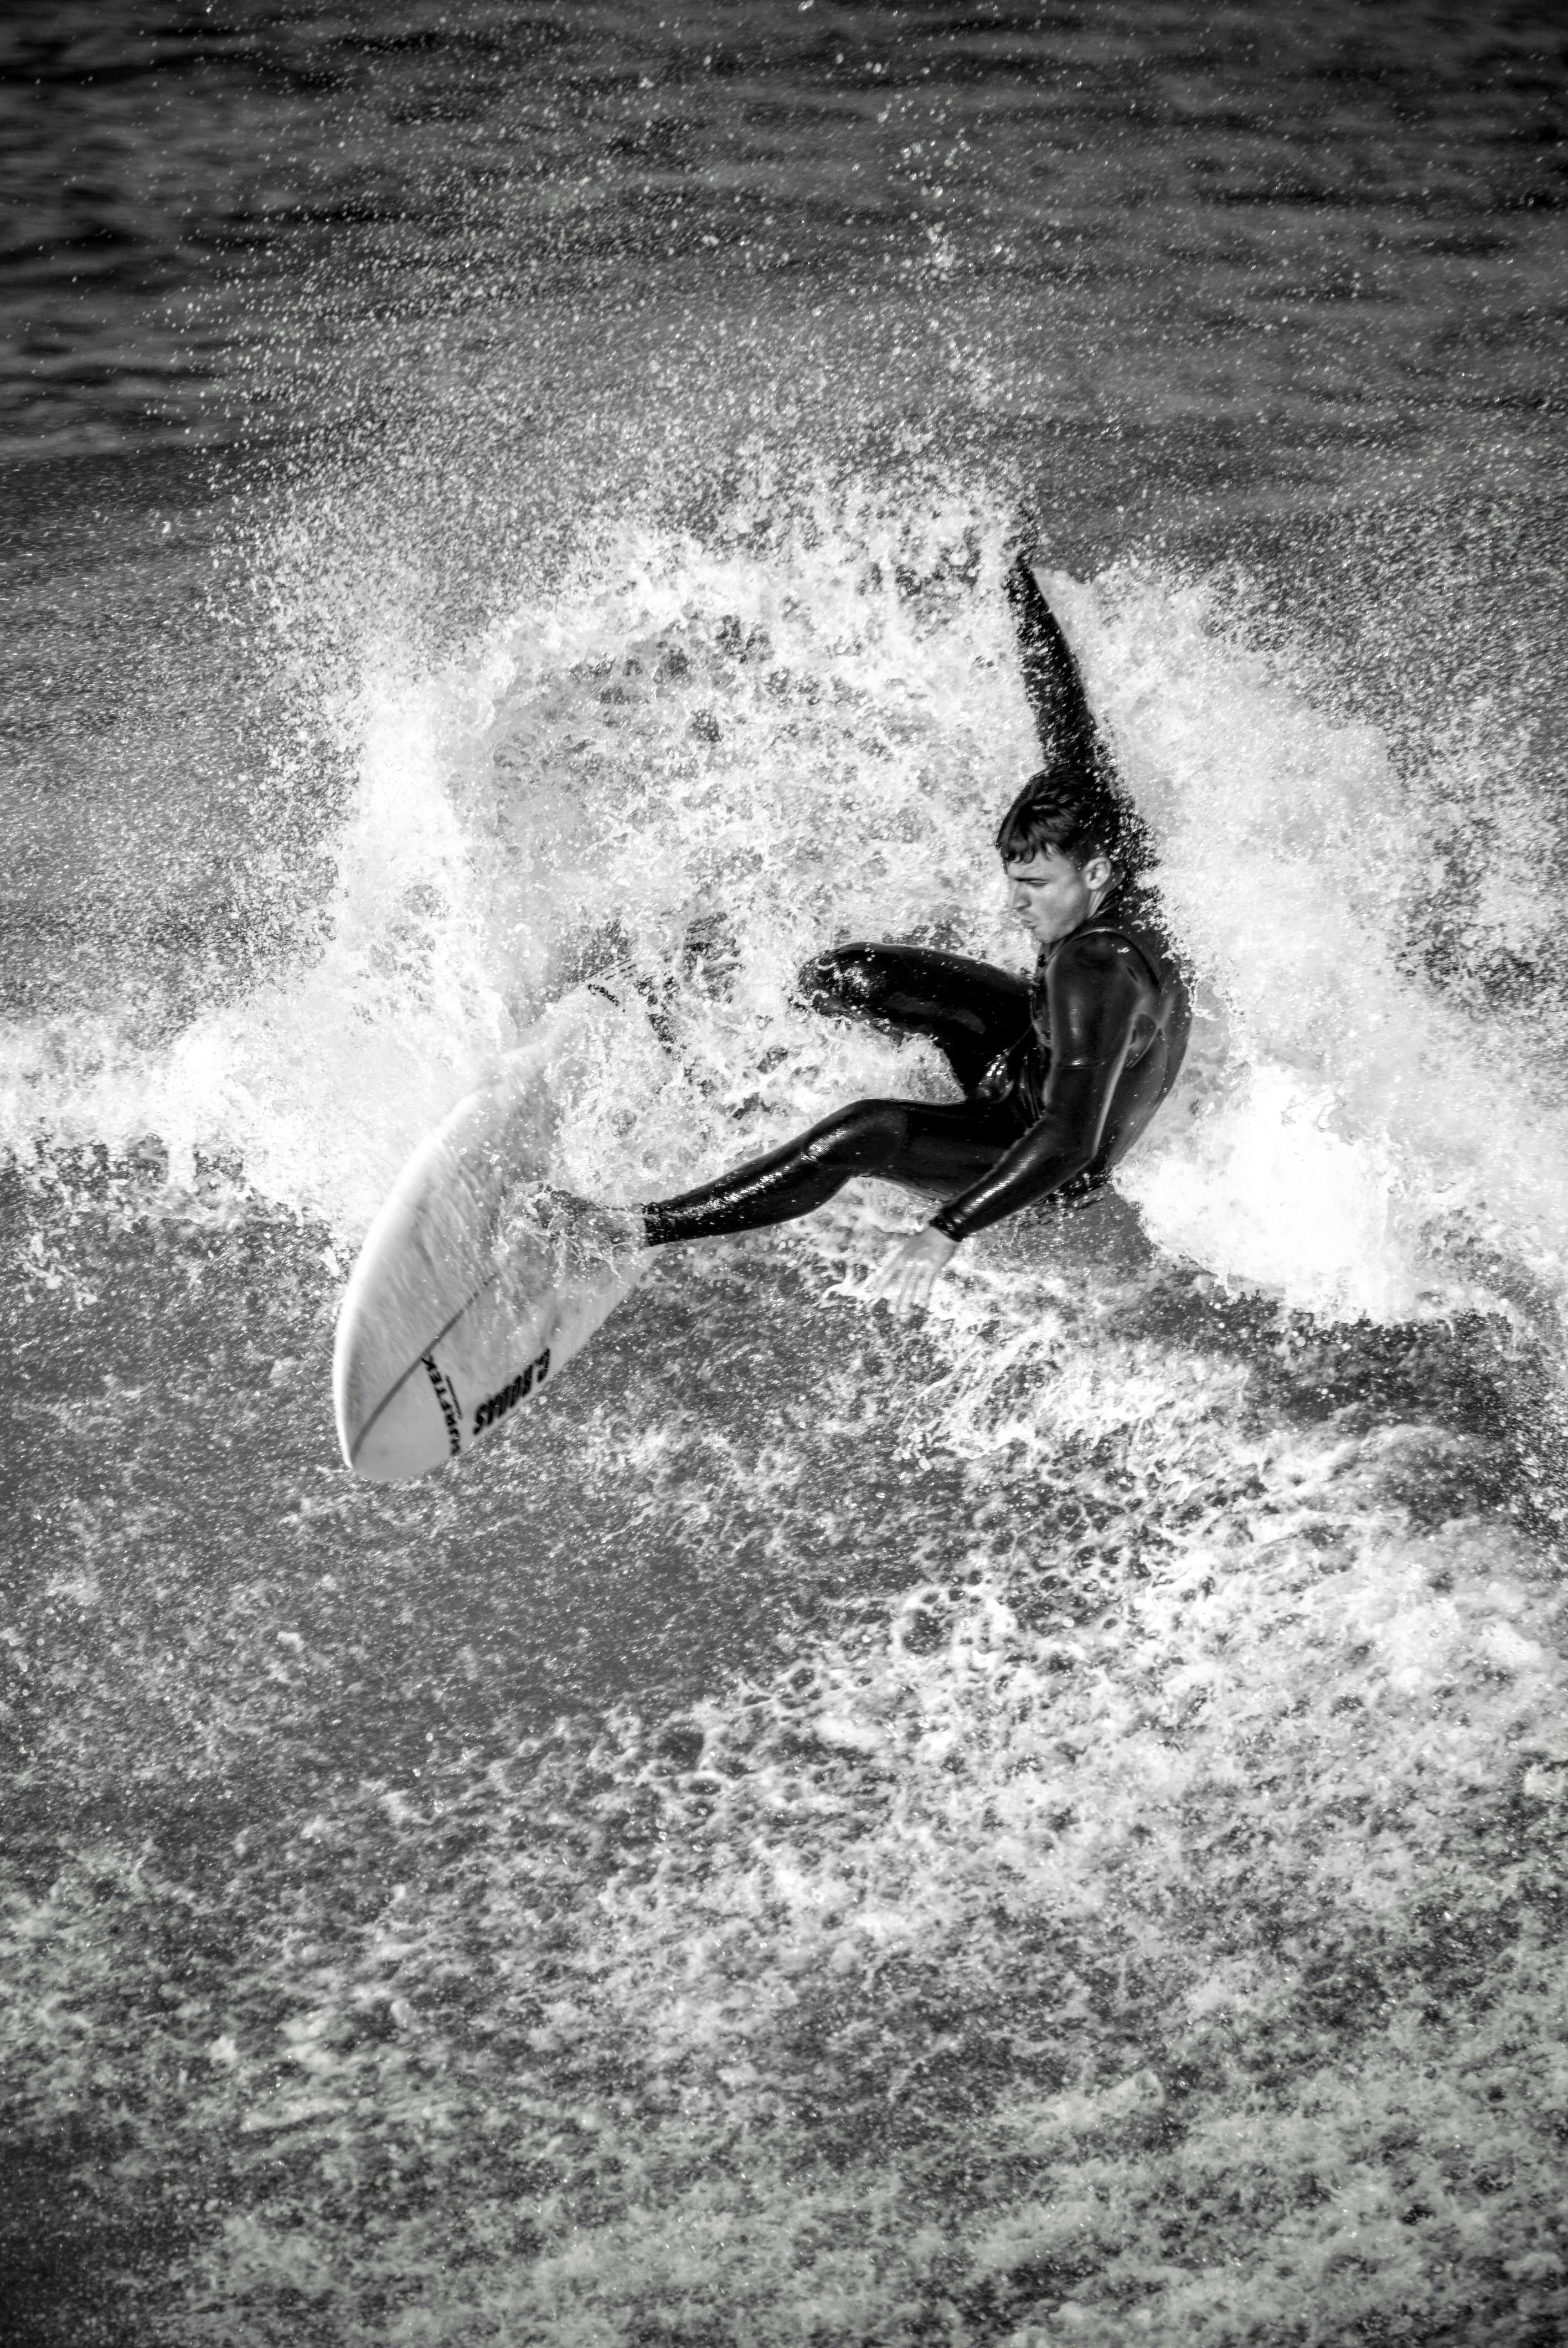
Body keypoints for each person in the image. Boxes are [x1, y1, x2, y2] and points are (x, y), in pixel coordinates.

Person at [638, 555, 1192, 1311]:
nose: (1016, 904)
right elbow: (1066, 716)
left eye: (1035, 886)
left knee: (862, 1132)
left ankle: (637, 1229)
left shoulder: (1096, 967)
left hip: (1044, 1153)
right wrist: (1016, 577)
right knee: (853, 976)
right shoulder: (1106, 844)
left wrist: (947, 1228)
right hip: (1031, 1053)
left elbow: (1069, 1138)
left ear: (1094, 874)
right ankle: (752, 1076)